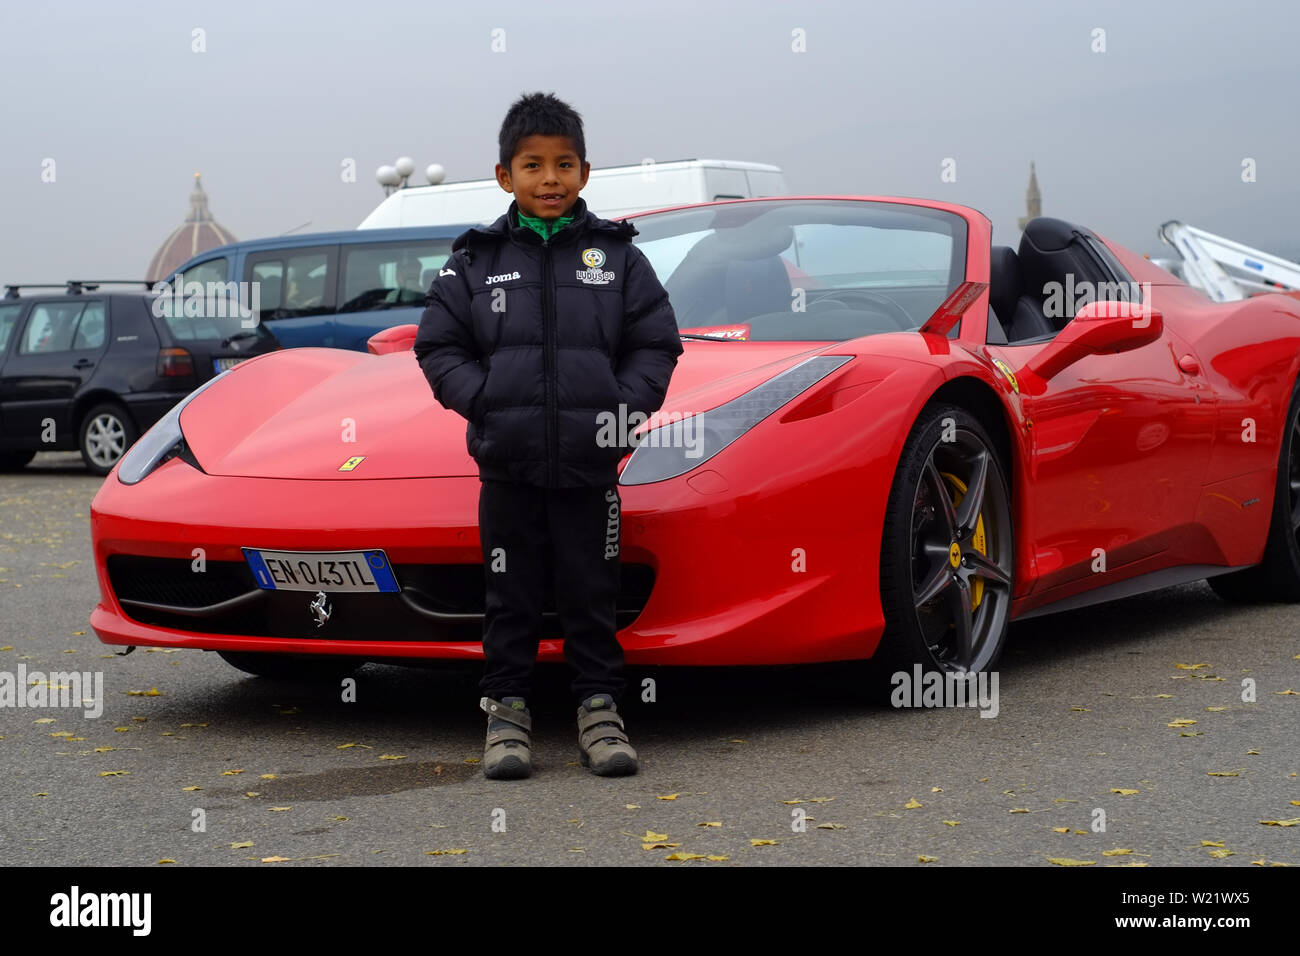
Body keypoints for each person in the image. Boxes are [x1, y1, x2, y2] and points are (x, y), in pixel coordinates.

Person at [413, 92, 682, 779]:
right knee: (511, 598)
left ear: (585, 173)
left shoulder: (618, 259)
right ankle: (506, 717)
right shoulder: (474, 262)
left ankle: (600, 712)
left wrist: (622, 409)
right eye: (533, 166)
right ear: (505, 176)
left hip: (592, 471)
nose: (550, 179)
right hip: (508, 469)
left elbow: (656, 344)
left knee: (592, 593)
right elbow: (438, 346)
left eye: (564, 165)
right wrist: (487, 403)